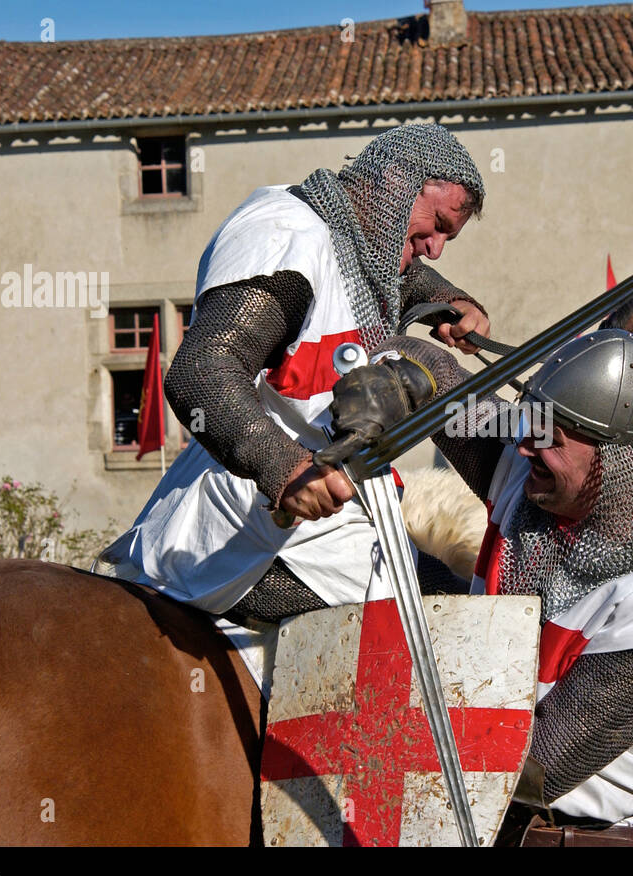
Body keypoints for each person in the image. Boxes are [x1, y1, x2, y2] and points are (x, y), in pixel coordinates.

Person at [322, 328, 633, 846]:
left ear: (611, 457)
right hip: (483, 821)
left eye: (549, 437)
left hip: (578, 836)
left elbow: (537, 766)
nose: (524, 445)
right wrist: (394, 370)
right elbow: (446, 386)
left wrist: (371, 739)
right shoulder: (532, 483)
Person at [93, 122, 489, 624]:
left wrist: (450, 301)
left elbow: (395, 275)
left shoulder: (357, 238)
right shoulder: (286, 238)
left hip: (325, 517)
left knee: (451, 600)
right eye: (435, 225)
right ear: (395, 180)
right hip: (247, 520)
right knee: (432, 622)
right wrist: (284, 466)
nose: (434, 247)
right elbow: (202, 371)